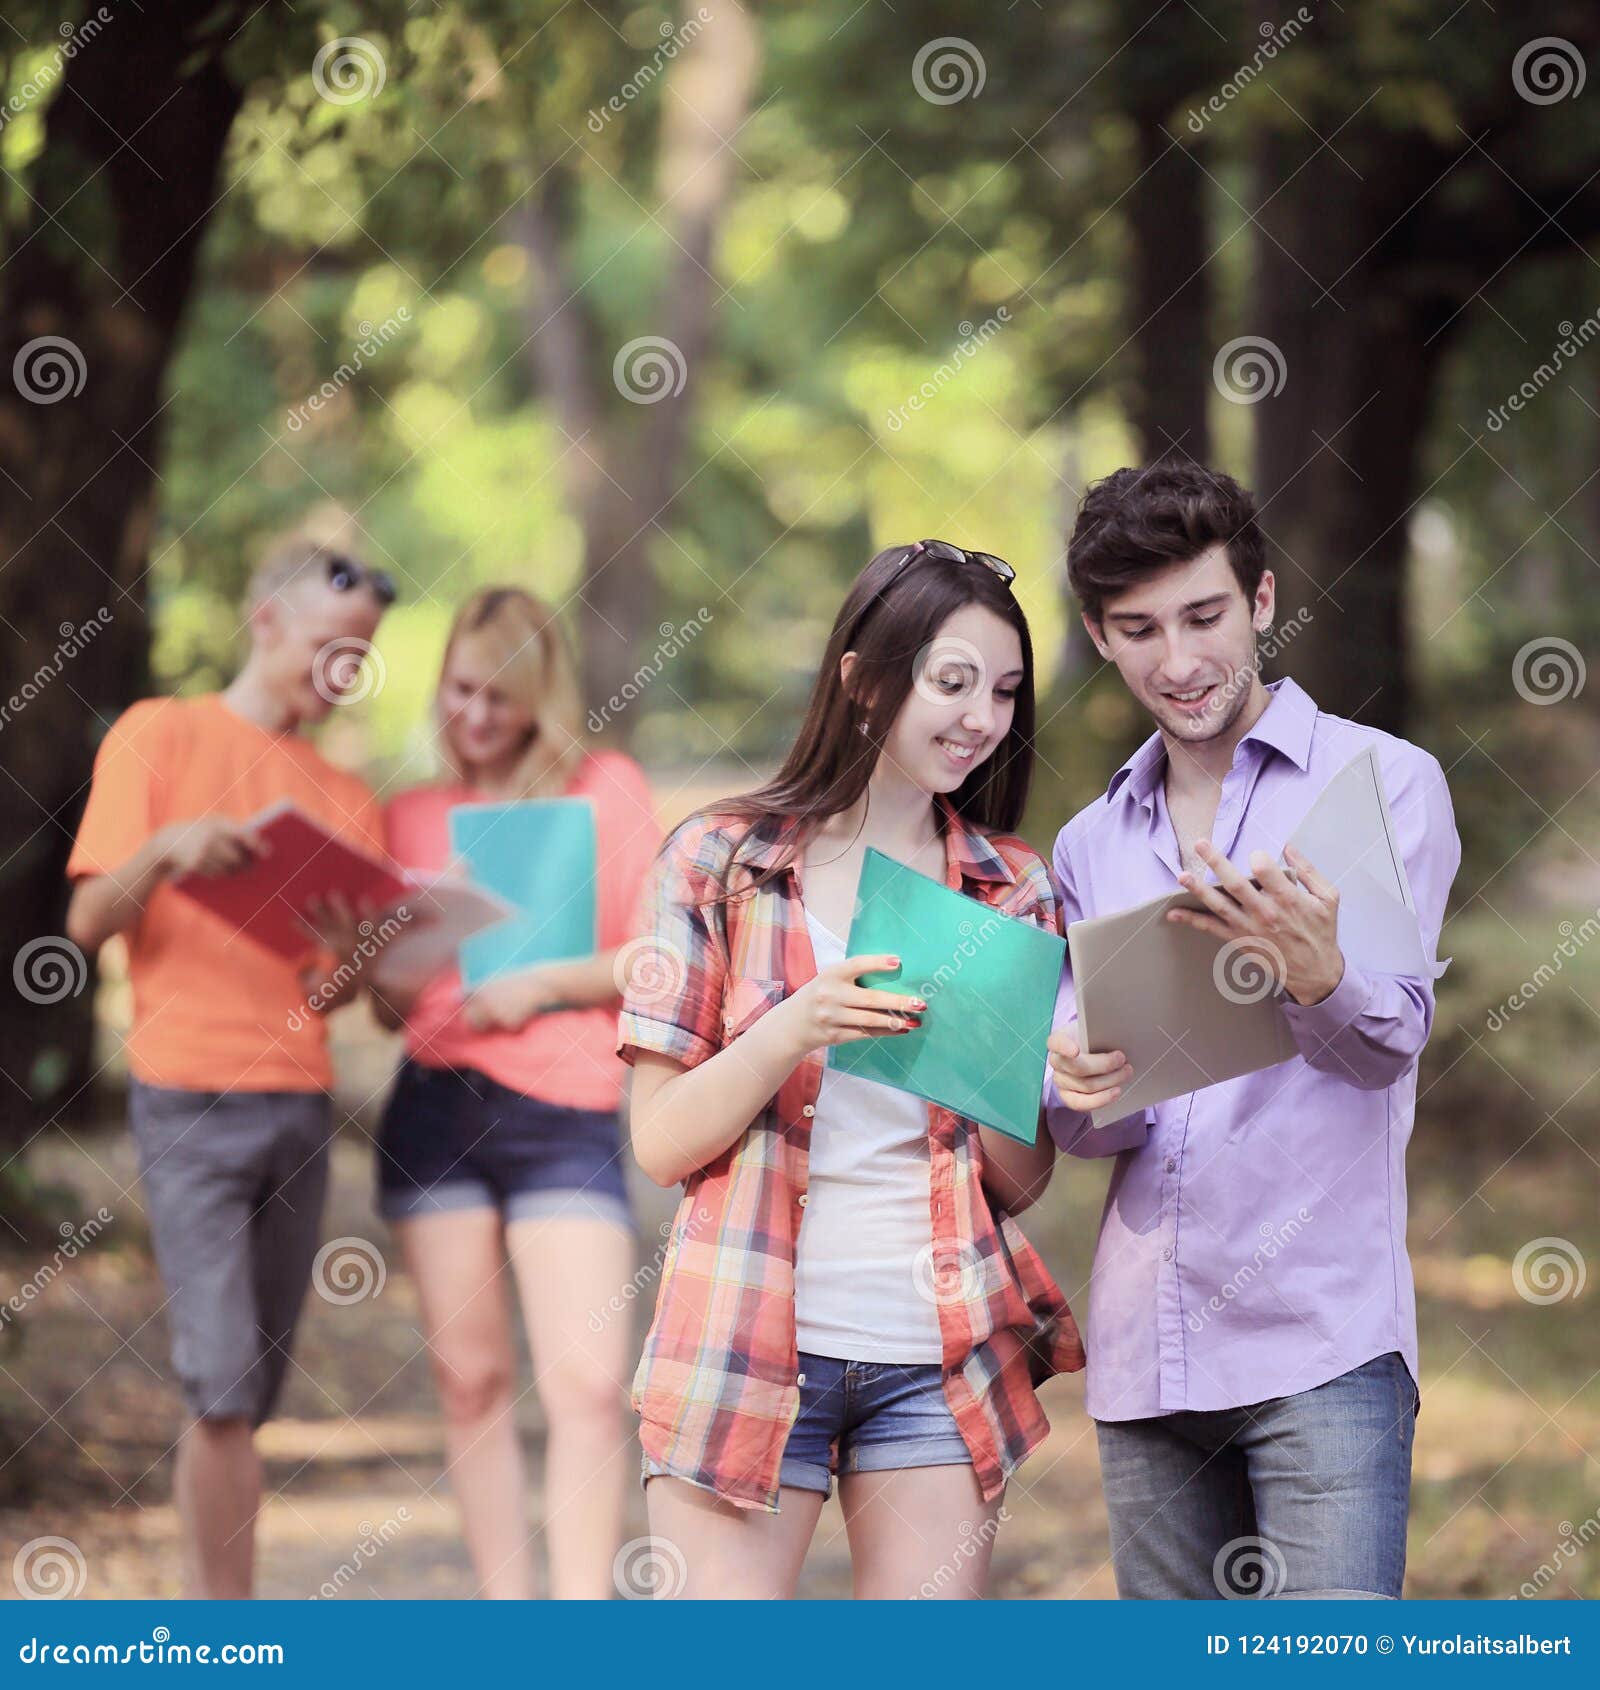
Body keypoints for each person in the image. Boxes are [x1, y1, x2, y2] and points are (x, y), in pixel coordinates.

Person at [618, 540, 1085, 1600]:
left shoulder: (1009, 889)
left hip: (934, 1349)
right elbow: (658, 1140)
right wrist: (793, 1029)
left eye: (1005, 690)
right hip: (744, 1337)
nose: (981, 716)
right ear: (864, 681)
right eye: (950, 681)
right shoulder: (722, 860)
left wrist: (1004, 1064)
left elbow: (1018, 1177)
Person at [1043, 461, 1460, 1600]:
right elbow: (1097, 1136)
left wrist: (1319, 975)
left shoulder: (1382, 784)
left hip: (1319, 1346)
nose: (1176, 662)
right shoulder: (1090, 843)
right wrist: (1073, 1090)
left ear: (1262, 601)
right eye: (1137, 630)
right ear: (1099, 634)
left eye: (1202, 616)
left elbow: (1386, 1046)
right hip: (1148, 1360)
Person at [64, 533, 395, 1599]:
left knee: (250, 1390)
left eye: (363, 656)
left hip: (297, 1106)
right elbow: (82, 925)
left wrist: (352, 955)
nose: (344, 672)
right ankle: (228, 1634)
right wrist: (166, 851)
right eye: (331, 646)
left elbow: (330, 997)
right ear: (265, 621)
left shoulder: (345, 797)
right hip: (187, 1096)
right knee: (217, 1388)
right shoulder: (159, 736)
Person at [369, 586, 659, 1600]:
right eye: (460, 690)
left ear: (541, 695)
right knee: (471, 1379)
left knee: (587, 1385)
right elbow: (381, 1003)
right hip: (435, 1108)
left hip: (564, 1115)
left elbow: (656, 958)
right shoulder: (405, 811)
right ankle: (508, 1614)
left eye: (502, 695)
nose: (478, 715)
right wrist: (381, 972)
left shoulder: (603, 788)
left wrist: (543, 981)